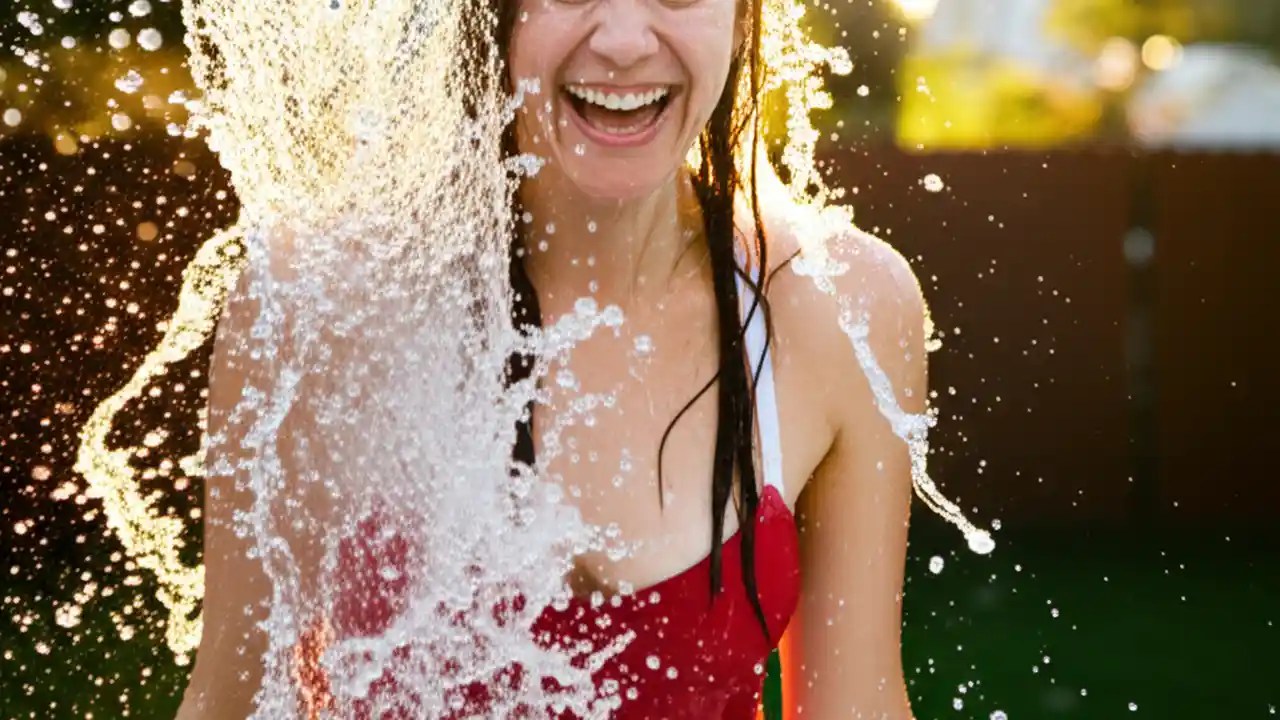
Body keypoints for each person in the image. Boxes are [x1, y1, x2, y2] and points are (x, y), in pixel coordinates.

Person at [179, 0, 924, 717]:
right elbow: (236, 701)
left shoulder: (837, 305)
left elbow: (857, 708)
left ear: (742, 20)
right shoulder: (332, 301)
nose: (626, 38)